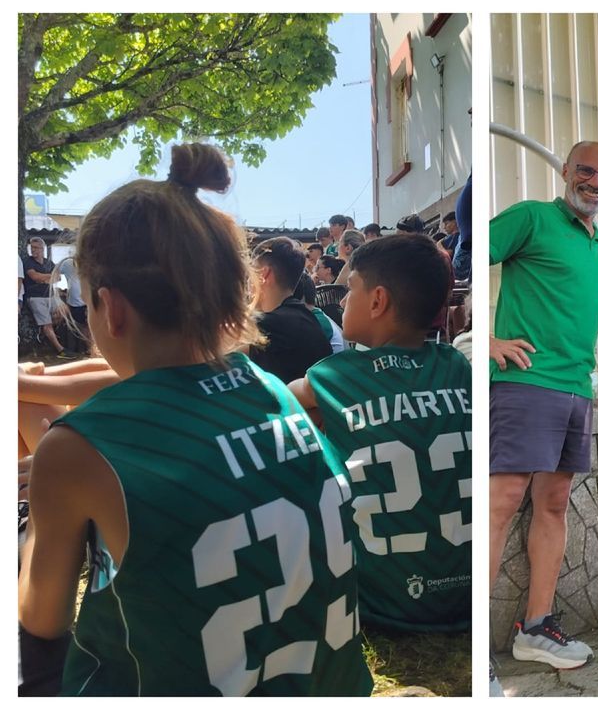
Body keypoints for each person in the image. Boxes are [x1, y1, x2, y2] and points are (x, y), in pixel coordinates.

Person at [17, 143, 371, 696]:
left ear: (110, 307)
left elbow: (41, 622)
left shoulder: (75, 450)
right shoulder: (272, 388)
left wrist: (41, 504)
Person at [289, 234, 470, 633]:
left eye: (349, 290)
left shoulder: (333, 376)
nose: (340, 301)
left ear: (377, 301)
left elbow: (283, 400)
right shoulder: (457, 365)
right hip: (465, 598)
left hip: (382, 604)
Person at [489, 141, 598, 676]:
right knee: (503, 501)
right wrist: (486, 342)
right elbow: (462, 259)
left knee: (555, 502)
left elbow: (587, 314)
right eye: (585, 171)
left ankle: (535, 628)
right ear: (565, 171)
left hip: (575, 386)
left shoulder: (596, 244)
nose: (595, 181)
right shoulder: (531, 217)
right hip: (526, 382)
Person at [248, 236, 332, 384]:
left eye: (251, 273)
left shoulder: (269, 324)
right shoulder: (307, 318)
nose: (248, 282)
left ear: (264, 274)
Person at [22, 237, 66, 357]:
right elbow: (35, 277)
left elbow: (59, 277)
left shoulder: (48, 262)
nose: (33, 250)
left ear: (42, 249)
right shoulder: (28, 261)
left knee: (64, 312)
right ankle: (61, 350)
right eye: (31, 247)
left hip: (50, 296)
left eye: (36, 247)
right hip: (35, 297)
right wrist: (48, 277)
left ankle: (44, 332)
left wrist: (45, 278)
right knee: (47, 324)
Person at [52, 255, 90, 355]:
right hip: (74, 303)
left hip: (88, 301)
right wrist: (57, 290)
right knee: (80, 327)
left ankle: (91, 350)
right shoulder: (67, 264)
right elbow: (55, 275)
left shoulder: (90, 264)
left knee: (88, 326)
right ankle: (86, 350)